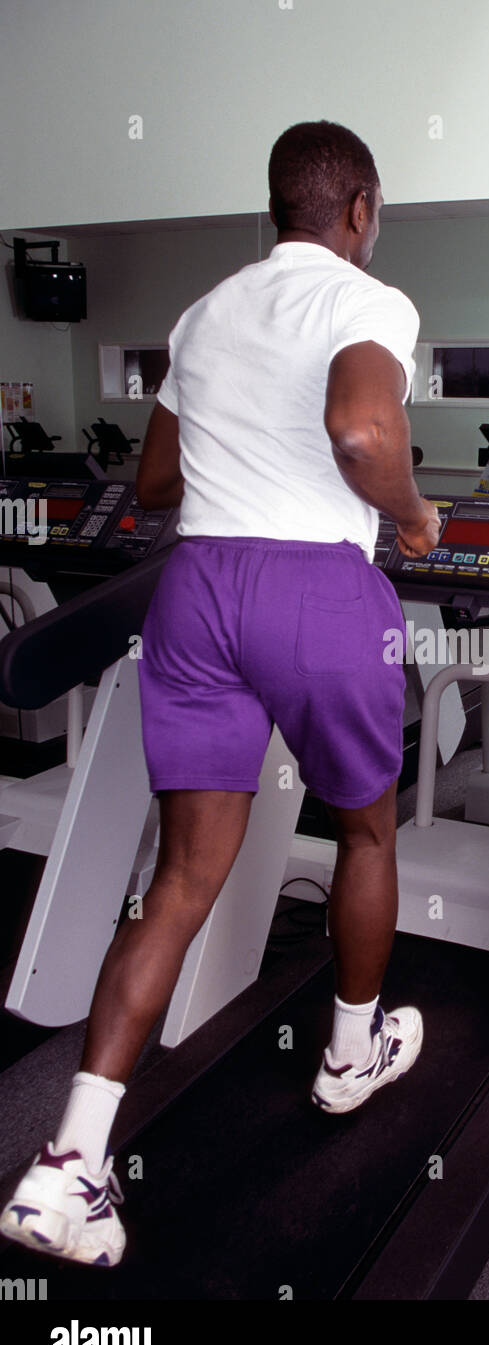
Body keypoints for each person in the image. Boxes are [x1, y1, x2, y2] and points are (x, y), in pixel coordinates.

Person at [0, 120, 440, 1268]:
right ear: (358, 210)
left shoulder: (204, 312)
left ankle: (71, 1164)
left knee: (181, 873)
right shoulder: (369, 301)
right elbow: (360, 428)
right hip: (316, 589)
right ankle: (350, 1053)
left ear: (274, 206)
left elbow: (154, 482)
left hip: (195, 588)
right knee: (367, 826)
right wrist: (408, 511)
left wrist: (245, 440)